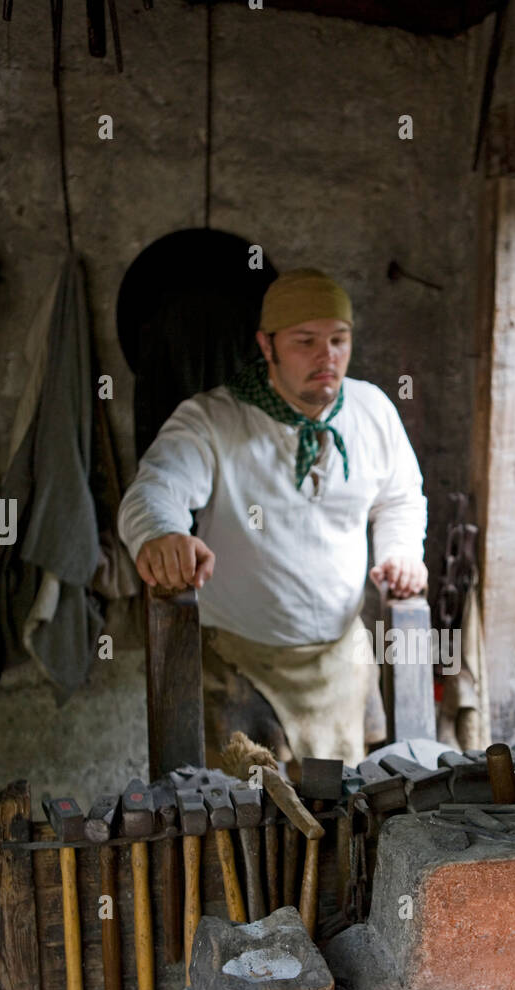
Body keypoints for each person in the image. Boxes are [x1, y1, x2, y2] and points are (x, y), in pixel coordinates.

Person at [118, 268, 427, 769]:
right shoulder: (213, 420)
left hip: (341, 663)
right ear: (267, 345)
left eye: (338, 339)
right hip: (239, 664)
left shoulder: (373, 410)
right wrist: (161, 533)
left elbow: (400, 499)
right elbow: (155, 489)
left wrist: (401, 552)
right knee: (243, 826)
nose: (326, 356)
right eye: (305, 341)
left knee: (343, 816)